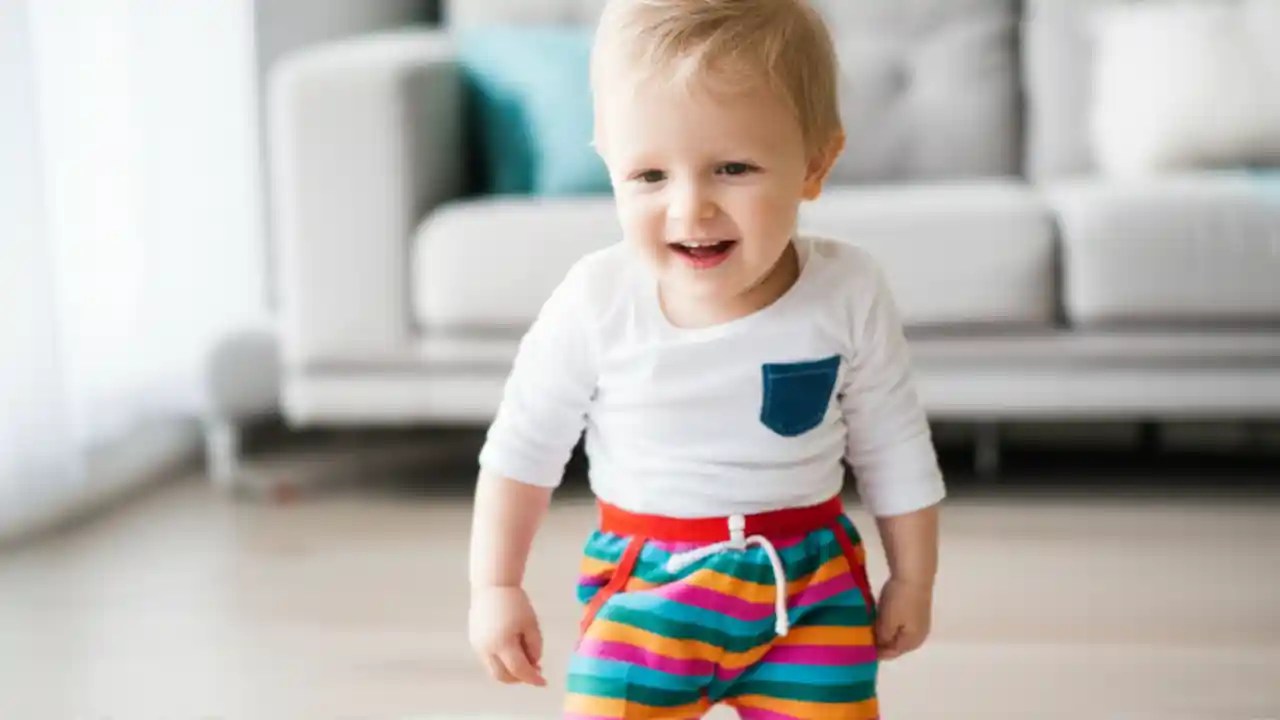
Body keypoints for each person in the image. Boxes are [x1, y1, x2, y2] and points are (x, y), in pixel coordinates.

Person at [468, 1, 945, 716]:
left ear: (816, 164)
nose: (690, 210)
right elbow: (522, 452)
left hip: (807, 589)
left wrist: (913, 577)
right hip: (645, 590)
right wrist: (495, 587)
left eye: (732, 168)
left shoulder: (847, 290)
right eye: (650, 176)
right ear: (608, 161)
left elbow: (895, 444)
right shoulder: (597, 300)